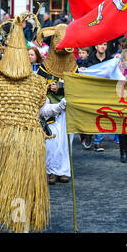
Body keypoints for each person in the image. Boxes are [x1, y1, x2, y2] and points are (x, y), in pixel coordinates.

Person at [0, 13, 66, 233]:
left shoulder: (37, 83)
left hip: (29, 144)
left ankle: (19, 228)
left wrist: (59, 107)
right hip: (3, 141)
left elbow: (42, 111)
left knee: (22, 190)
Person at [36, 24, 78, 185]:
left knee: (66, 142)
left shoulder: (74, 68)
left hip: (67, 110)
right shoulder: (44, 69)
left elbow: (78, 86)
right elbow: (37, 86)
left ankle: (64, 171)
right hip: (49, 111)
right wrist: (47, 87)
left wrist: (61, 87)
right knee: (51, 141)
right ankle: (50, 171)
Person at [82, 42, 110, 151]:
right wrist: (83, 70)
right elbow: (81, 72)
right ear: (96, 47)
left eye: (105, 45)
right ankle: (88, 135)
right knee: (91, 115)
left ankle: (98, 141)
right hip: (92, 91)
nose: (103, 47)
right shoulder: (89, 60)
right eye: (100, 45)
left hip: (105, 92)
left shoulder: (110, 60)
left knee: (102, 115)